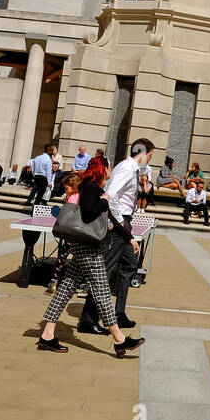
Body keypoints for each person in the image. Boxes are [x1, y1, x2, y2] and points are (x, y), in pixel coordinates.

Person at [36, 155, 145, 358]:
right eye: (108, 167)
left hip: (85, 245)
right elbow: (88, 213)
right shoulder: (90, 188)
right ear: (102, 169)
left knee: (66, 288)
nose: (110, 171)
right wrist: (104, 202)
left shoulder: (95, 188)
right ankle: (119, 339)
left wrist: (129, 238)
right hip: (86, 247)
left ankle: (47, 334)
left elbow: (111, 217)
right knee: (102, 290)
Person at [79, 139, 154, 335]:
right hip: (120, 224)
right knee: (104, 269)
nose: (150, 159)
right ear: (143, 153)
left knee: (130, 264)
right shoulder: (126, 168)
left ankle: (118, 313)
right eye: (150, 155)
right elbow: (110, 196)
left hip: (126, 222)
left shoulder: (132, 169)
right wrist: (121, 222)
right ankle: (88, 318)